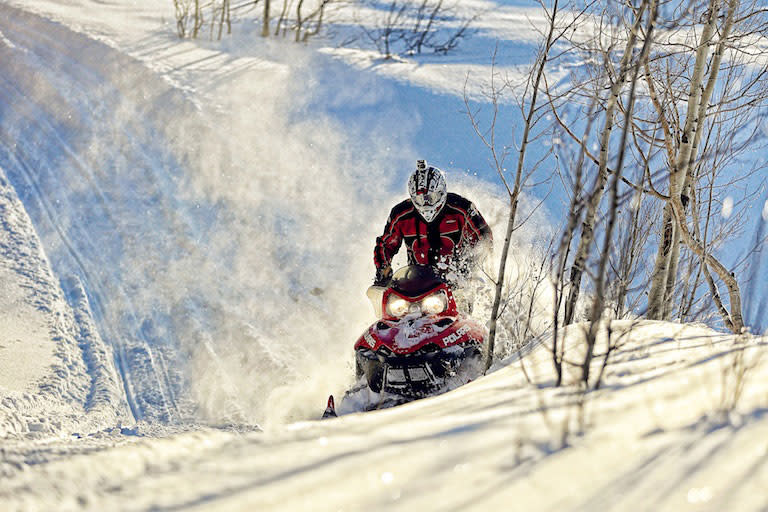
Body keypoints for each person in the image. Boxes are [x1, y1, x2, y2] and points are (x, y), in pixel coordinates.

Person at [373, 160, 493, 287]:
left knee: (469, 298)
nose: (426, 204)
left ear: (441, 192)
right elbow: (386, 244)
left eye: (431, 198)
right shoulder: (401, 215)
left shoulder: (462, 208)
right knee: (389, 300)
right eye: (419, 199)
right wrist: (383, 269)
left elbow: (484, 238)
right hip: (417, 282)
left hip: (458, 281)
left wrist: (469, 265)